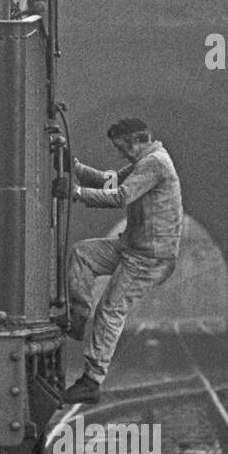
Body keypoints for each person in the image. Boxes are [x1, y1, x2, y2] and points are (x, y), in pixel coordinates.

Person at [50, 118, 183, 403]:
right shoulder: (144, 161)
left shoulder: (155, 163)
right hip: (132, 247)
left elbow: (120, 196)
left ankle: (92, 381)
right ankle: (78, 315)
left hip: (150, 257)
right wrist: (75, 167)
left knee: (111, 310)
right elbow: (109, 181)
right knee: (83, 254)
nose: (120, 153)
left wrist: (76, 192)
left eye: (121, 148)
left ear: (136, 141)